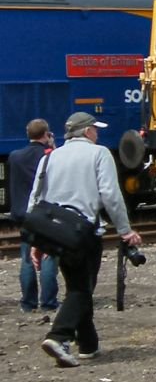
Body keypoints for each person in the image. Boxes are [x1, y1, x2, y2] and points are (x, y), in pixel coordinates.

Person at [28, 112, 142, 367]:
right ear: (86, 131)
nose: (97, 133)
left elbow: (36, 196)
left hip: (55, 229)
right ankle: (59, 337)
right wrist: (125, 229)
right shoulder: (99, 153)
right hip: (83, 230)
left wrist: (37, 240)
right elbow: (110, 194)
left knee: (77, 285)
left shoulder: (50, 157)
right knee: (81, 289)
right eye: (95, 129)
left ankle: (88, 343)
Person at [10, 119, 59, 313]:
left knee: (27, 259)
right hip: (45, 213)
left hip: (24, 215)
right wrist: (53, 147)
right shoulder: (50, 156)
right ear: (47, 134)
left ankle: (28, 303)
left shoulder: (15, 156)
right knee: (47, 257)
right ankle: (48, 302)